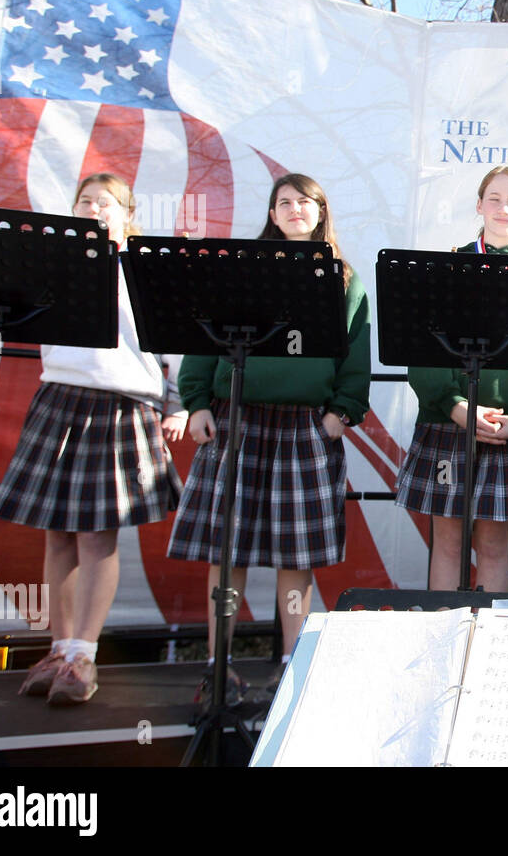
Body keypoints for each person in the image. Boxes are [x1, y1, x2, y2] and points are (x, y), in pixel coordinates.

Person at [166, 173, 371, 702]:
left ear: (321, 210)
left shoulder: (345, 281)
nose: (294, 208)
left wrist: (339, 415)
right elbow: (205, 338)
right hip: (236, 418)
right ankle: (218, 669)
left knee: (295, 557)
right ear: (273, 215)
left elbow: (355, 362)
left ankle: (290, 666)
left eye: (304, 200)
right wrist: (195, 403)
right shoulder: (240, 270)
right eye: (284, 202)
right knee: (225, 552)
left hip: (306, 428)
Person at [0, 173, 186, 705]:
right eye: (86, 201)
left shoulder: (145, 271)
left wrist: (179, 404)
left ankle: (84, 655)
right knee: (56, 533)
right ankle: (58, 646)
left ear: (128, 217)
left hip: (122, 403)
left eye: (107, 203)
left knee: (98, 535)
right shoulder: (58, 266)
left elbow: (175, 347)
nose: (95, 208)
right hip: (59, 397)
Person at [394, 165, 508, 593]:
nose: (504, 208)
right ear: (479, 206)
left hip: (506, 429)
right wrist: (456, 406)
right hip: (446, 424)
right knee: (448, 543)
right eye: (495, 198)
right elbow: (423, 349)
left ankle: (488, 641)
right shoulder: (448, 268)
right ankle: (443, 642)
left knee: (493, 545)